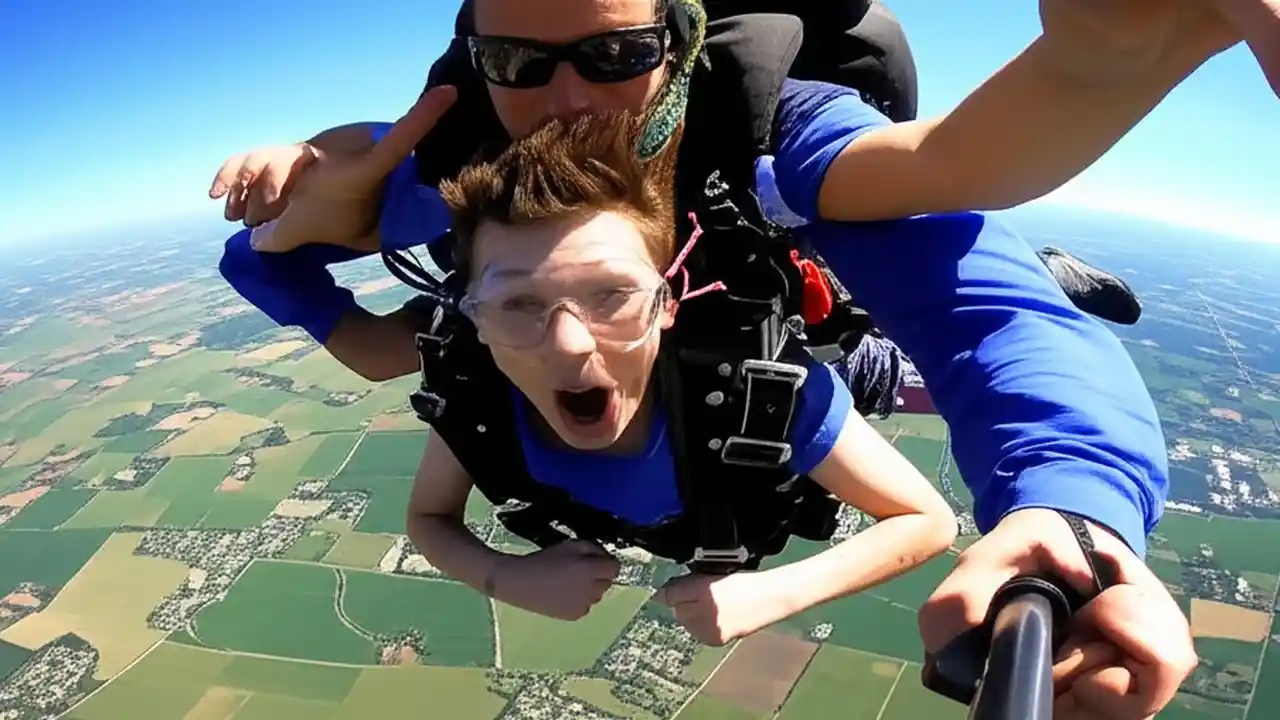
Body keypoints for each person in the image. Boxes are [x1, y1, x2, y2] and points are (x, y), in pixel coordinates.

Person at [211, 0, 1267, 715]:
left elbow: (957, 224)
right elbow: (356, 314)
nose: (566, 103)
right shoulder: (474, 176)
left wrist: (1074, 507)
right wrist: (299, 209)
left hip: (780, 338)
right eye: (516, 63)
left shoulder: (761, 134)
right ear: (475, 60)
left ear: (676, 41)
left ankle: (1047, 272)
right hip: (685, 361)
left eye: (616, 55)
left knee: (856, 363)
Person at [405, 109, 958, 644]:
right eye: (517, 303)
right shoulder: (478, 393)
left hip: (795, 389)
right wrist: (505, 578)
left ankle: (891, 352)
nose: (569, 343)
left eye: (612, 294)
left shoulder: (757, 390)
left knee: (876, 373)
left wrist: (774, 594)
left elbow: (927, 518)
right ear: (474, 319)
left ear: (668, 301)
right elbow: (429, 518)